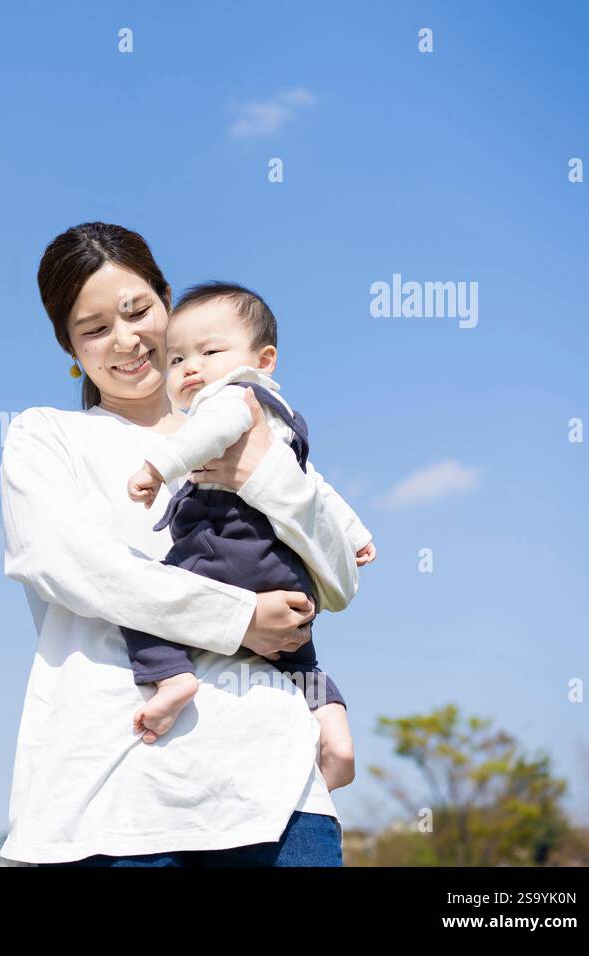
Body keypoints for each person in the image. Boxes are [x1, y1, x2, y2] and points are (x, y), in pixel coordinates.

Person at [0, 222, 358, 866]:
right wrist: (239, 619)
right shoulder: (45, 436)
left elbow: (335, 584)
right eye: (95, 328)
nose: (127, 339)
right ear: (69, 347)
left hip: (276, 788)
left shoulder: (252, 427)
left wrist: (265, 477)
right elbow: (72, 566)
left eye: (139, 311)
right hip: (118, 795)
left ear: (168, 301)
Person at [121, 282, 375, 793]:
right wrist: (354, 534)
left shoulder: (232, 397)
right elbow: (315, 487)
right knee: (302, 660)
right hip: (284, 572)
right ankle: (338, 740)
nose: (191, 367)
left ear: (263, 358)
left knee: (142, 600)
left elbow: (203, 438)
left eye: (209, 351)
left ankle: (171, 678)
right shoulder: (284, 421)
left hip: (227, 551)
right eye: (176, 359)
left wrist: (158, 466)